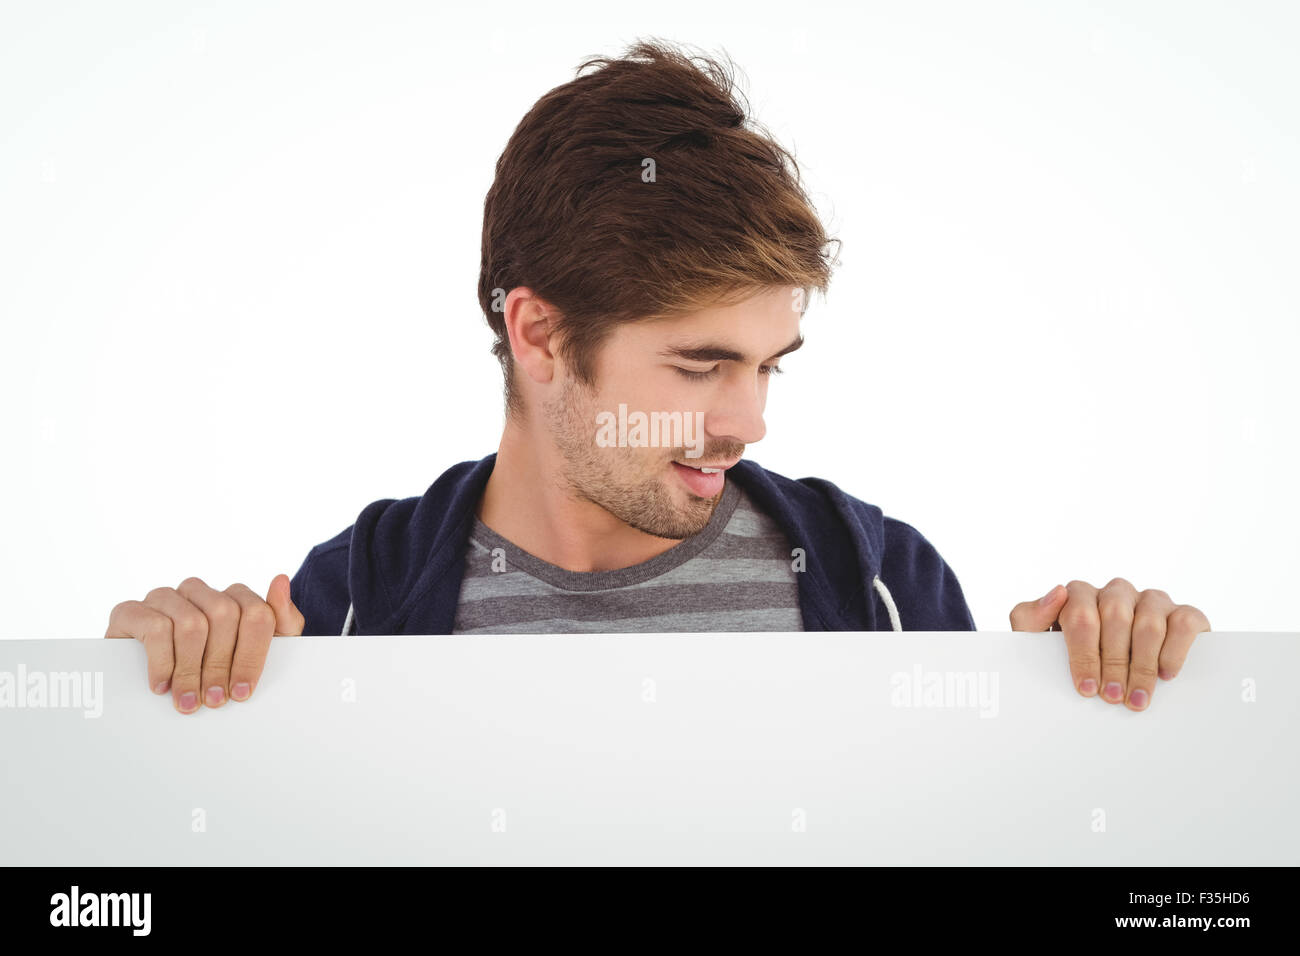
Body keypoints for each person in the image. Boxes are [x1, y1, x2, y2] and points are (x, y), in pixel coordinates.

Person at [104, 40, 1210, 716]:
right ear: (538, 333)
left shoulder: (880, 586)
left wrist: (1080, 718)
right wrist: (141, 717)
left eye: (769, 366)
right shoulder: (348, 605)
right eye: (699, 364)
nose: (747, 422)